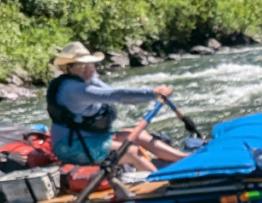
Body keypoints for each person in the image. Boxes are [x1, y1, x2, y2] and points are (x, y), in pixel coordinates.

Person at [46, 42, 186, 173]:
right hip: (71, 146)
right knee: (131, 152)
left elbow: (115, 91)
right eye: (82, 65)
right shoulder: (73, 89)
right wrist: (153, 92)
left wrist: (152, 94)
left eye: (90, 64)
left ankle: (184, 158)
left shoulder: (87, 78)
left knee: (139, 135)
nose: (89, 69)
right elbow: (117, 95)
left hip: (92, 137)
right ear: (69, 68)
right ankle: (162, 183)